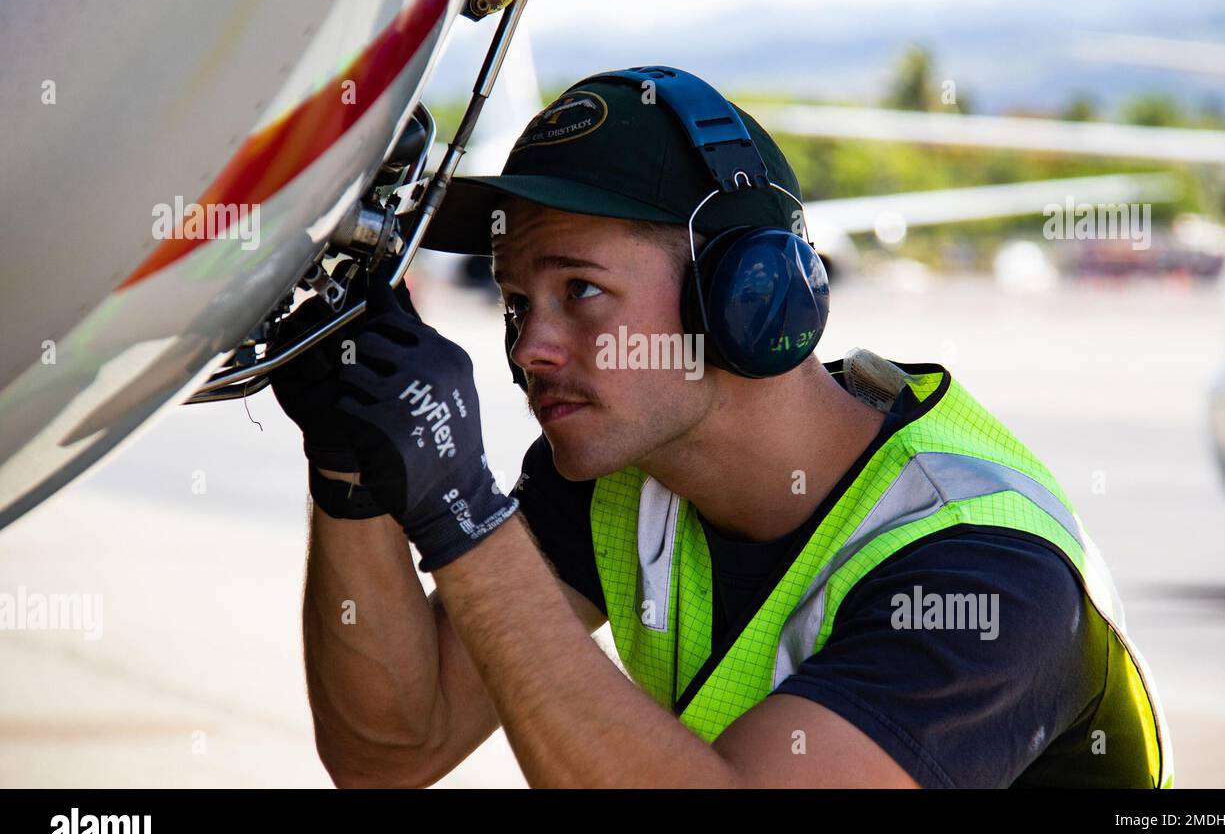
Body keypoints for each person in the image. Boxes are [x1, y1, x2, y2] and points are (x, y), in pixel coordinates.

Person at [272, 66, 1172, 788]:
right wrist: (352, 471)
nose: (530, 350)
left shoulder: (981, 576)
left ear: (746, 298)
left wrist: (463, 516)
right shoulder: (615, 477)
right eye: (515, 303)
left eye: (579, 291)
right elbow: (389, 755)